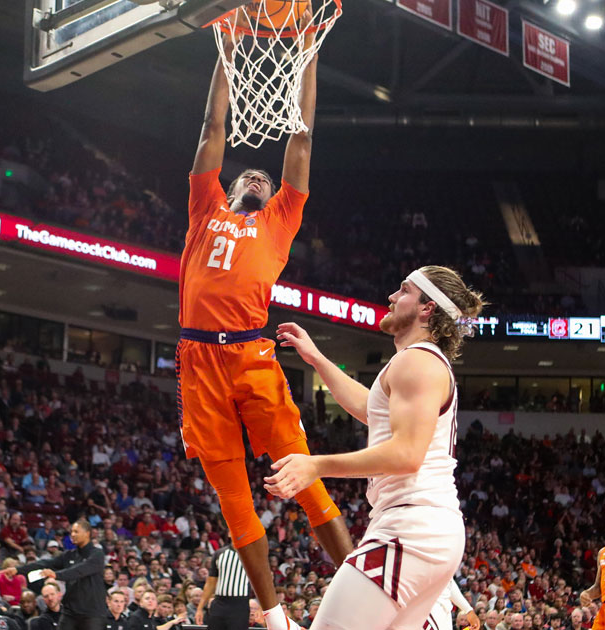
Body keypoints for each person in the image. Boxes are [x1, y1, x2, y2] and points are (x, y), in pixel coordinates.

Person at [179, 20, 351, 630]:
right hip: (198, 360)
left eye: (266, 178)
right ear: (227, 187)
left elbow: (301, 137)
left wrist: (307, 54)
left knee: (304, 478)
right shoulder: (205, 209)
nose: (257, 177)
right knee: (234, 500)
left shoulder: (278, 221)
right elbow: (213, 127)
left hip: (252, 355)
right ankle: (276, 618)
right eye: (247, 176)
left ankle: (366, 592)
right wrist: (226, 52)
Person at [264, 266, 486, 629]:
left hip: (411, 529)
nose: (392, 297)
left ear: (427, 308)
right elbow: (372, 409)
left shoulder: (417, 360)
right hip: (426, 528)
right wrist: (317, 359)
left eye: (404, 291)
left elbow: (406, 455)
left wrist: (316, 465)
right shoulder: (420, 361)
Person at [1, 520, 107, 630]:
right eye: (71, 532)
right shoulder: (69, 555)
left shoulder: (97, 554)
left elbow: (79, 571)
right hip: (71, 611)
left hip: (92, 613)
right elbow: (45, 563)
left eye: (76, 531)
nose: (72, 534)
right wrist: (18, 570)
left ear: (87, 533)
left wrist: (56, 575)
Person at [195, 545, 250, 630]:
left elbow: (261, 581)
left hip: (240, 605)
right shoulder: (219, 553)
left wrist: (262, 609)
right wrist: (200, 608)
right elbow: (210, 583)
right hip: (219, 603)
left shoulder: (252, 553)